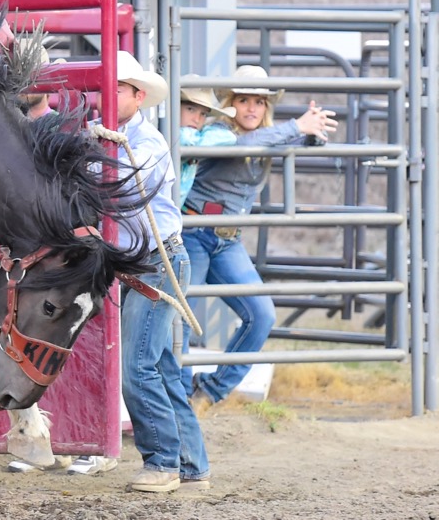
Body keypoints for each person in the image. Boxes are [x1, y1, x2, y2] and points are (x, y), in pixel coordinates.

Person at [181, 65, 338, 407]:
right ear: (231, 103)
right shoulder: (218, 132)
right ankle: (175, 399)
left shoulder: (268, 135)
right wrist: (297, 126)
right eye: (243, 100)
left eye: (260, 102)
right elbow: (248, 144)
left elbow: (289, 139)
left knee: (261, 314)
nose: (252, 108)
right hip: (193, 232)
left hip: (227, 241)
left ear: (267, 108)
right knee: (181, 319)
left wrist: (311, 132)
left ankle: (208, 392)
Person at [111, 51, 211, 494]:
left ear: (138, 95)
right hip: (145, 263)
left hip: (158, 262)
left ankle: (162, 462)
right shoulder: (112, 140)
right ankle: (191, 464)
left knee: (137, 366)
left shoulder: (144, 144)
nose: (108, 96)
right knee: (161, 366)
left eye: (117, 88)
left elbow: (122, 190)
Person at [178, 86, 236, 202]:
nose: (197, 119)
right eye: (190, 109)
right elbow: (184, 138)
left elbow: (230, 138)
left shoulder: (197, 137)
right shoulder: (169, 135)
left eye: (203, 114)